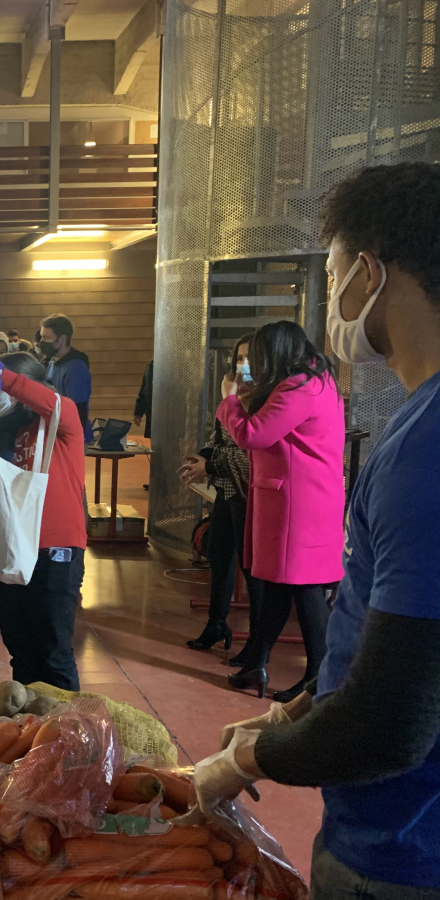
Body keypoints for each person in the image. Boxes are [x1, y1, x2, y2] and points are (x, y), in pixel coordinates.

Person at [183, 162, 440, 898]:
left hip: (402, 853)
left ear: (368, 274)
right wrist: (296, 711)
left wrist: (250, 761)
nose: (332, 300)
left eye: (331, 277)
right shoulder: (415, 422)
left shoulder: (426, 449)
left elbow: (390, 723)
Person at [219, 320, 344, 702]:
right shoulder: (308, 379)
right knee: (277, 585)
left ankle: (320, 676)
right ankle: (257, 659)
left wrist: (229, 399)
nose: (250, 365)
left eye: (256, 357)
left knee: (304, 589)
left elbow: (252, 434)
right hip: (291, 498)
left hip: (298, 503)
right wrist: (241, 385)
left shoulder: (300, 387)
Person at [0, 354, 87, 690]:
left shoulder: (63, 421)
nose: (3, 398)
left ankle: (68, 735)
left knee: (54, 652)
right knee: (21, 650)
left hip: (55, 547)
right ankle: (28, 730)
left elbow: (52, 403)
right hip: (11, 543)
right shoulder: (9, 430)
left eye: (9, 390)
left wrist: (7, 381)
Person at [178, 335, 265, 657]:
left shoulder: (268, 401)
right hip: (226, 492)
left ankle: (257, 641)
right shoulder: (233, 396)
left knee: (252, 570)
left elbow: (249, 454)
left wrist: (210, 465)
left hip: (252, 495)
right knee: (219, 556)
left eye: (250, 359)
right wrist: (201, 459)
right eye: (239, 359)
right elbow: (221, 441)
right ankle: (217, 623)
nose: (243, 367)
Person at [37, 315, 94, 443]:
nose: (42, 341)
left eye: (47, 337)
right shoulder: (52, 361)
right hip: (54, 431)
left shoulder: (75, 368)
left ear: (62, 339)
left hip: (69, 436)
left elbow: (78, 410)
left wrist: (71, 441)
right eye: (42, 336)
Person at [133, 359, 154, 438]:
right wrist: (138, 412)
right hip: (153, 413)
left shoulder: (175, 365)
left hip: (170, 415)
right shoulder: (152, 365)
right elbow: (145, 390)